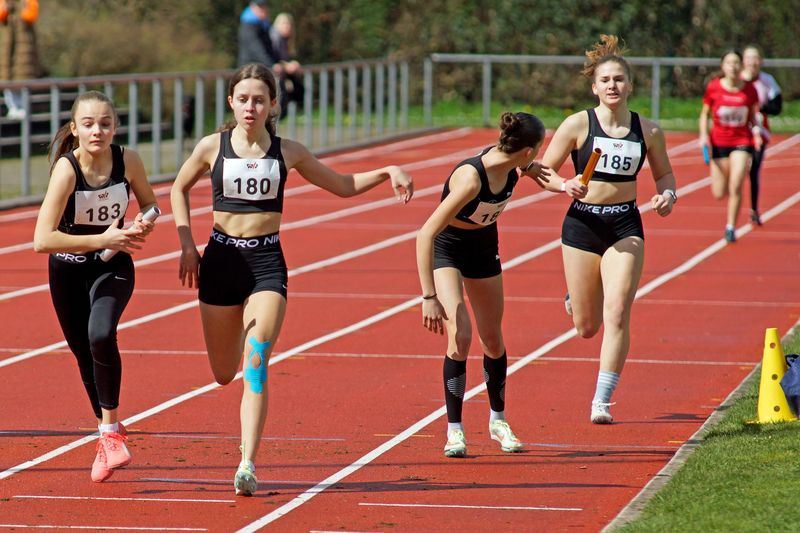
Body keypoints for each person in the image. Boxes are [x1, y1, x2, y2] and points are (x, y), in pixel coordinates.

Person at [169, 62, 413, 496]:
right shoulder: (212, 147)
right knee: (224, 373)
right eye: (243, 99)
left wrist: (386, 171)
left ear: (273, 105)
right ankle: (243, 430)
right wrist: (187, 243)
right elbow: (178, 188)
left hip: (266, 263)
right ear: (231, 102)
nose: (251, 107)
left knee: (256, 361)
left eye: (259, 100)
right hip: (221, 261)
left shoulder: (289, 152)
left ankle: (247, 463)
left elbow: (341, 185)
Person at [536, 35, 677, 424]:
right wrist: (564, 185)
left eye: (619, 79)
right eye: (606, 80)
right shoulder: (577, 124)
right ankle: (577, 298)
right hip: (582, 222)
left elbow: (664, 175)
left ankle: (602, 399)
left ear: (630, 85)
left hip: (624, 224)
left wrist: (668, 196)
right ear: (594, 87)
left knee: (617, 312)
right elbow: (540, 170)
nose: (613, 86)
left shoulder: (647, 131)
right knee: (587, 327)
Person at [32, 91, 158, 482]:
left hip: (112, 266)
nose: (97, 130)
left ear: (115, 127)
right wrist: (101, 238)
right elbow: (42, 240)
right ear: (75, 129)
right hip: (68, 270)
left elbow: (152, 205)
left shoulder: (128, 160)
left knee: (101, 334)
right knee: (83, 354)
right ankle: (110, 434)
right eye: (88, 124)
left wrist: (143, 222)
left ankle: (108, 433)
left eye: (105, 123)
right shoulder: (67, 171)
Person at [416, 111, 549, 457]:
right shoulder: (471, 180)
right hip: (447, 249)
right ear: (528, 150)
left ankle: (497, 420)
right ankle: (454, 430)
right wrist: (428, 296)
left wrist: (564, 185)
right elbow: (425, 233)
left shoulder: (515, 165)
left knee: (492, 337)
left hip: (484, 249)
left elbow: (534, 172)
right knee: (460, 336)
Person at [699, 50, 762, 243]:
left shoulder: (749, 89)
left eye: (736, 63)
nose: (733, 67)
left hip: (742, 141)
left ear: (741, 66)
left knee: (737, 184)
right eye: (729, 63)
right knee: (719, 193)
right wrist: (703, 136)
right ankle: (727, 193)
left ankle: (731, 227)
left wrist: (757, 133)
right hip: (719, 142)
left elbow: (754, 116)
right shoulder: (714, 87)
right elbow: (704, 114)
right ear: (722, 66)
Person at [741, 44, 782, 226]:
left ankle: (754, 209)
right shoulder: (737, 79)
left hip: (760, 131)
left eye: (755, 58)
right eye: (749, 58)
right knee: (738, 166)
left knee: (754, 168)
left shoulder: (767, 80)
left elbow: (777, 107)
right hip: (739, 132)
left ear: (761, 61)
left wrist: (760, 108)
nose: (752, 62)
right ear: (743, 61)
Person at [0, 0, 43, 119]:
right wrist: (5, 8)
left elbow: (31, 16)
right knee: (6, 77)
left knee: (24, 78)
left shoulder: (29, 1)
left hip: (24, 49)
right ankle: (12, 107)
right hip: (7, 48)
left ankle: (22, 107)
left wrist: (25, 6)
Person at [269, 12, 304, 119]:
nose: (287, 27)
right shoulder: (274, 38)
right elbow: (274, 59)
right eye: (284, 24)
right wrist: (287, 65)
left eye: (289, 24)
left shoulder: (285, 40)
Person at [237, 0, 277, 69]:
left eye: (264, 6)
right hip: (250, 67)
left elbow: (269, 47)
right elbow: (256, 49)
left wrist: (278, 63)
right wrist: (272, 64)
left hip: (262, 65)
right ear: (252, 7)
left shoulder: (263, 24)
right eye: (260, 7)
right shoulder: (248, 25)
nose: (263, 9)